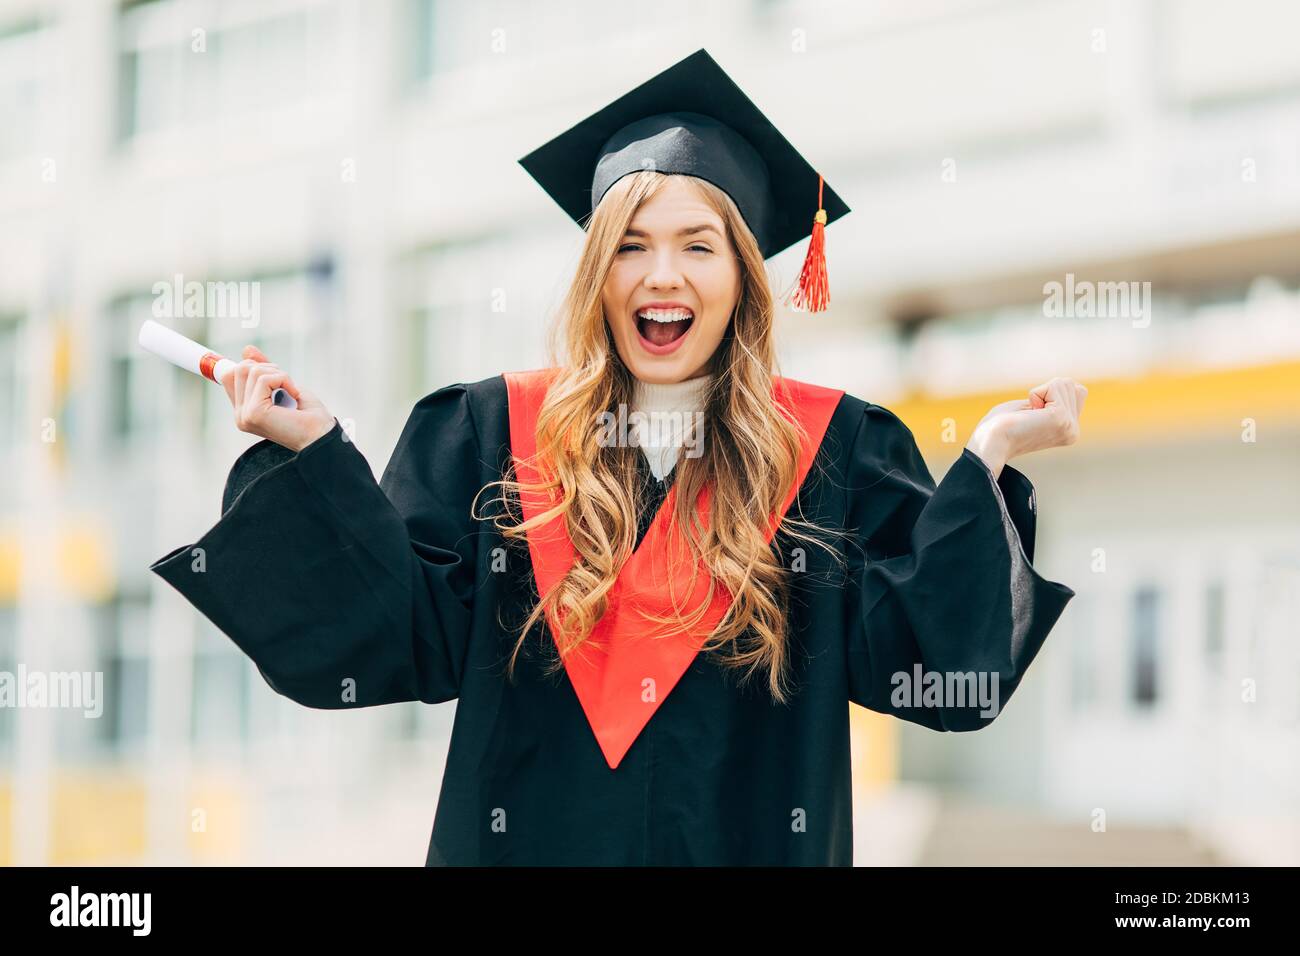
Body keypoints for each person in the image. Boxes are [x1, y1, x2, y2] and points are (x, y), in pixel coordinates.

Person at [151, 49, 1085, 866]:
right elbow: (401, 638)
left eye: (698, 245)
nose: (662, 274)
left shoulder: (838, 449)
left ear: (743, 277)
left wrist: (989, 458)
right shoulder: (490, 435)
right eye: (631, 245)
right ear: (598, 268)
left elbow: (927, 667)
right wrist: (317, 453)